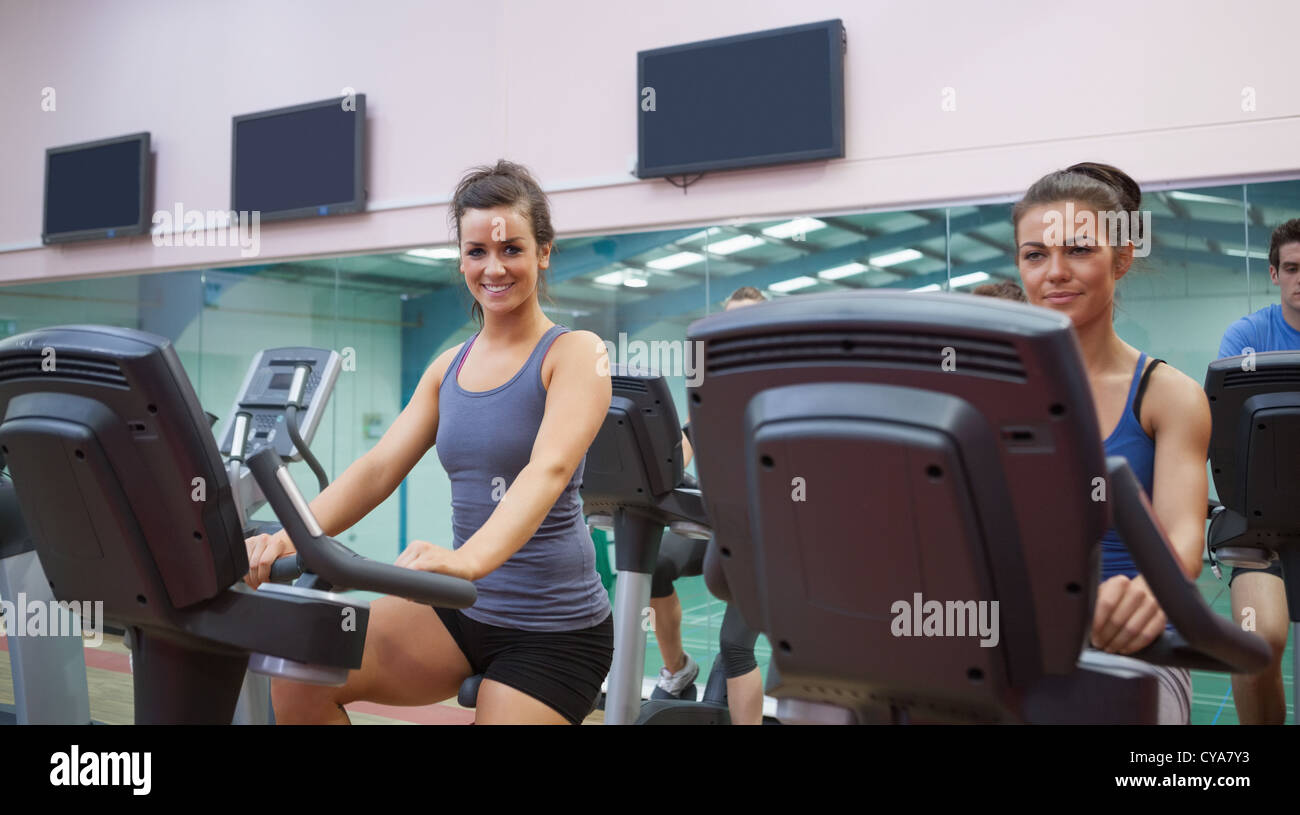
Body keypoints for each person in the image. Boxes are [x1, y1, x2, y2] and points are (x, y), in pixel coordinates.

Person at [244, 160, 613, 725]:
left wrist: (467, 560)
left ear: (543, 252)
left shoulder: (575, 354)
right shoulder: (448, 368)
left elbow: (550, 470)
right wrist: (290, 537)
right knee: (300, 674)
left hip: (553, 631)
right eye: (476, 252)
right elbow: (377, 469)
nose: (493, 268)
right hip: (461, 611)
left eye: (511, 248)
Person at [1013, 162, 1211, 724]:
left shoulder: (1169, 396)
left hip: (1142, 648)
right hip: (1025, 645)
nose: (1054, 273)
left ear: (1122, 258)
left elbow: (1182, 545)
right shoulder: (989, 393)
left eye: (1078, 250)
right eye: (1035, 255)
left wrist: (1145, 595)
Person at [650, 285, 767, 724]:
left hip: (764, 540)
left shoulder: (782, 394)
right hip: (717, 529)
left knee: (735, 647)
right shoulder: (712, 396)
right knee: (654, 564)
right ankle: (679, 670)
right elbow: (679, 451)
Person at [1217, 217, 1300, 724]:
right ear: (1274, 274)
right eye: (1292, 268)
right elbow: (1227, 433)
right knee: (1254, 644)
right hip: (1261, 523)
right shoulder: (1247, 337)